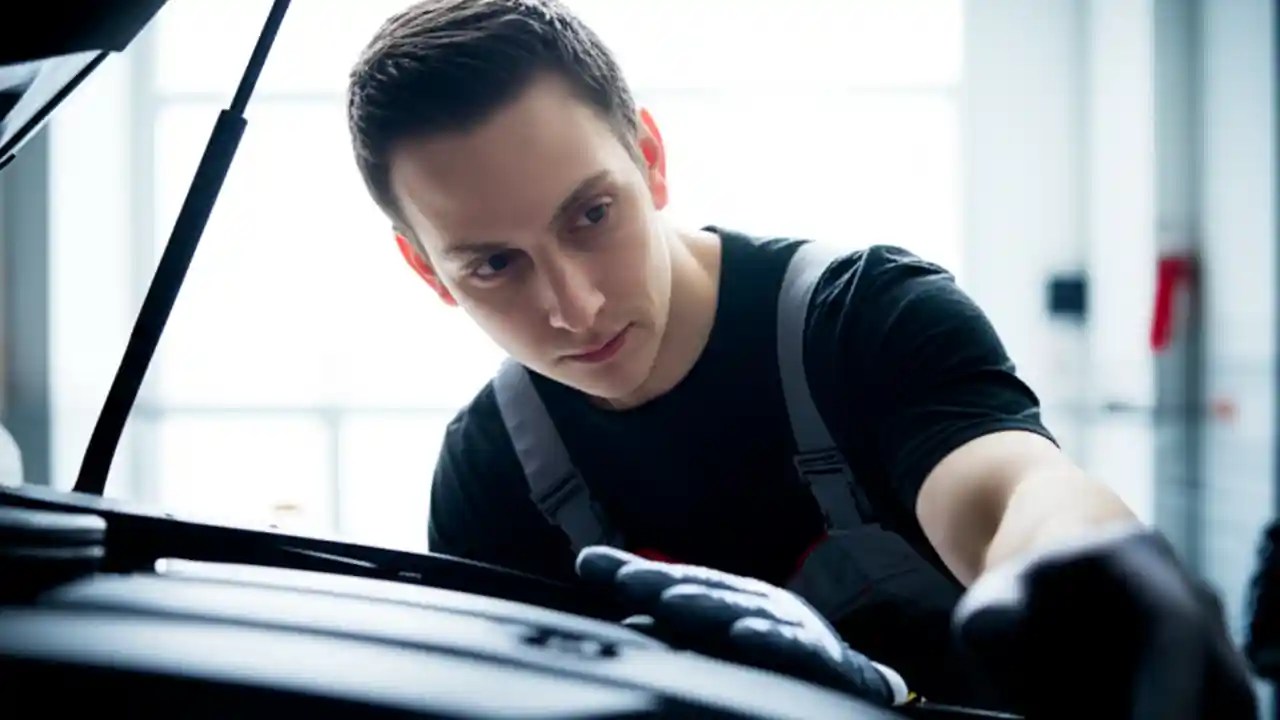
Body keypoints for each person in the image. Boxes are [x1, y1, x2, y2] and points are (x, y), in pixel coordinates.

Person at [344, 1, 1258, 715]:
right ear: (427, 269)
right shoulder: (490, 469)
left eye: (592, 215)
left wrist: (1082, 555)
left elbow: (1004, 493)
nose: (571, 306)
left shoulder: (865, 317)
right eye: (495, 265)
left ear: (650, 158)